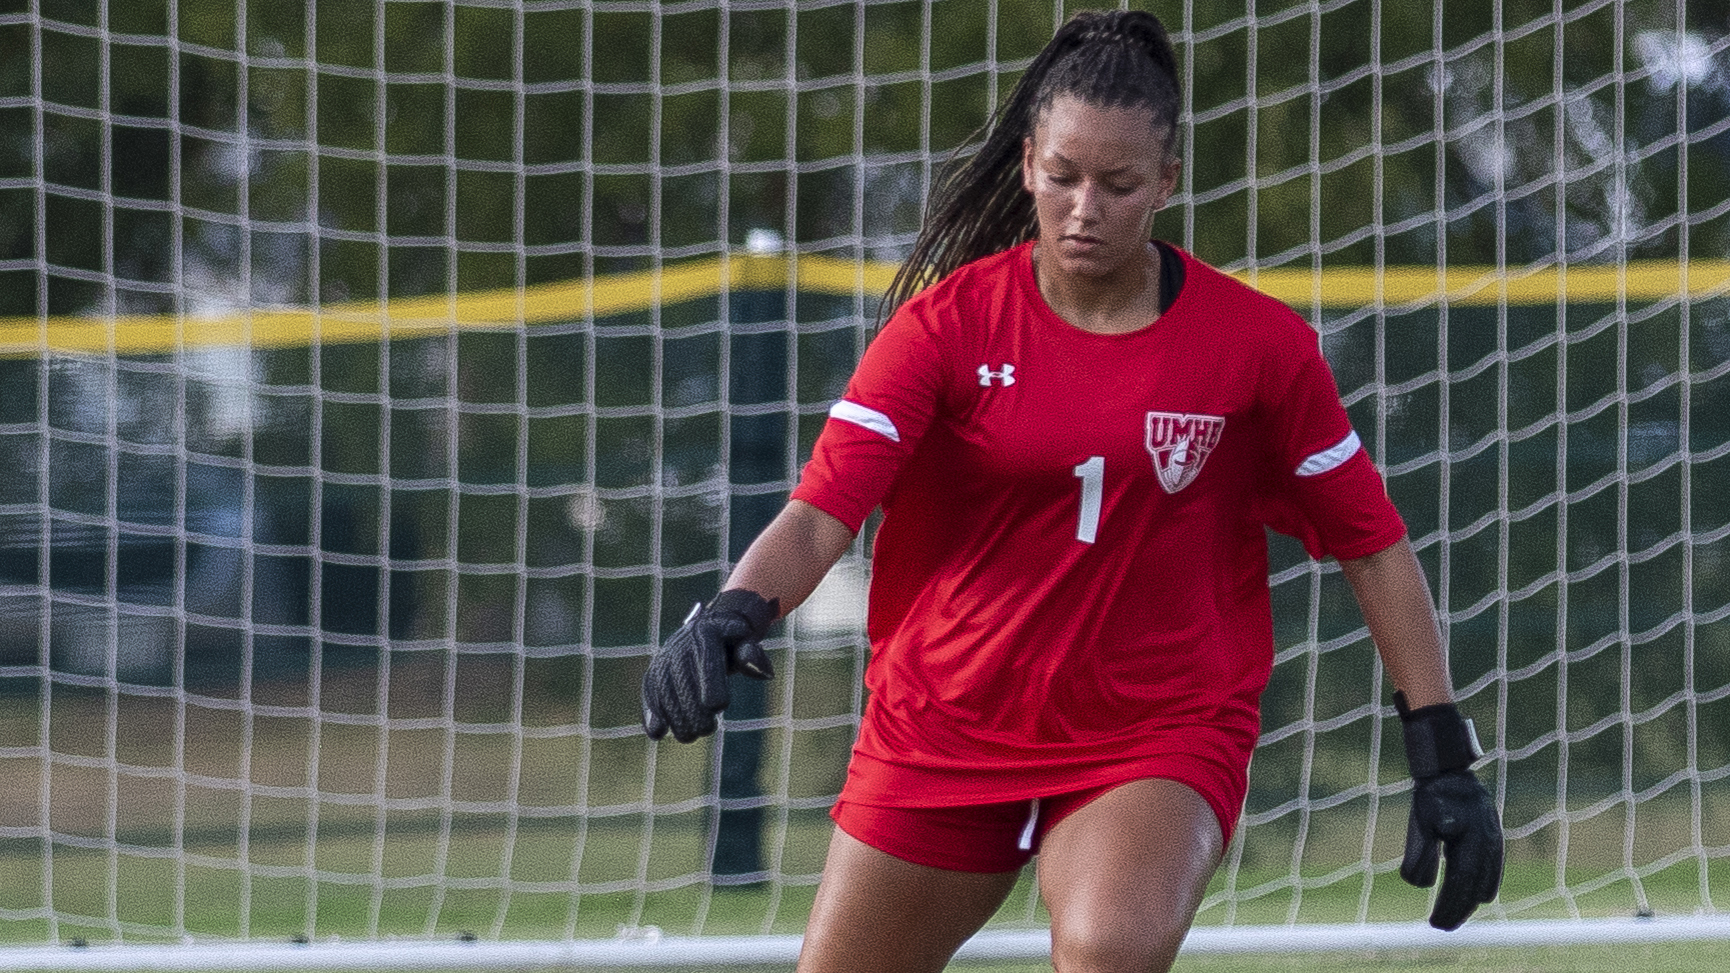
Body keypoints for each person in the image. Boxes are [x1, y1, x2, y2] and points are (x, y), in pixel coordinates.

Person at [640, 9, 1504, 972]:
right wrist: (732, 610)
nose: (1084, 207)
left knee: (1106, 947)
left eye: (1118, 184)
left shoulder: (1257, 349)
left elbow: (1372, 545)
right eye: (1063, 176)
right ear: (1027, 166)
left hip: (1154, 729)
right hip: (945, 722)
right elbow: (818, 516)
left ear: (1166, 181)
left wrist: (1441, 747)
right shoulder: (942, 330)